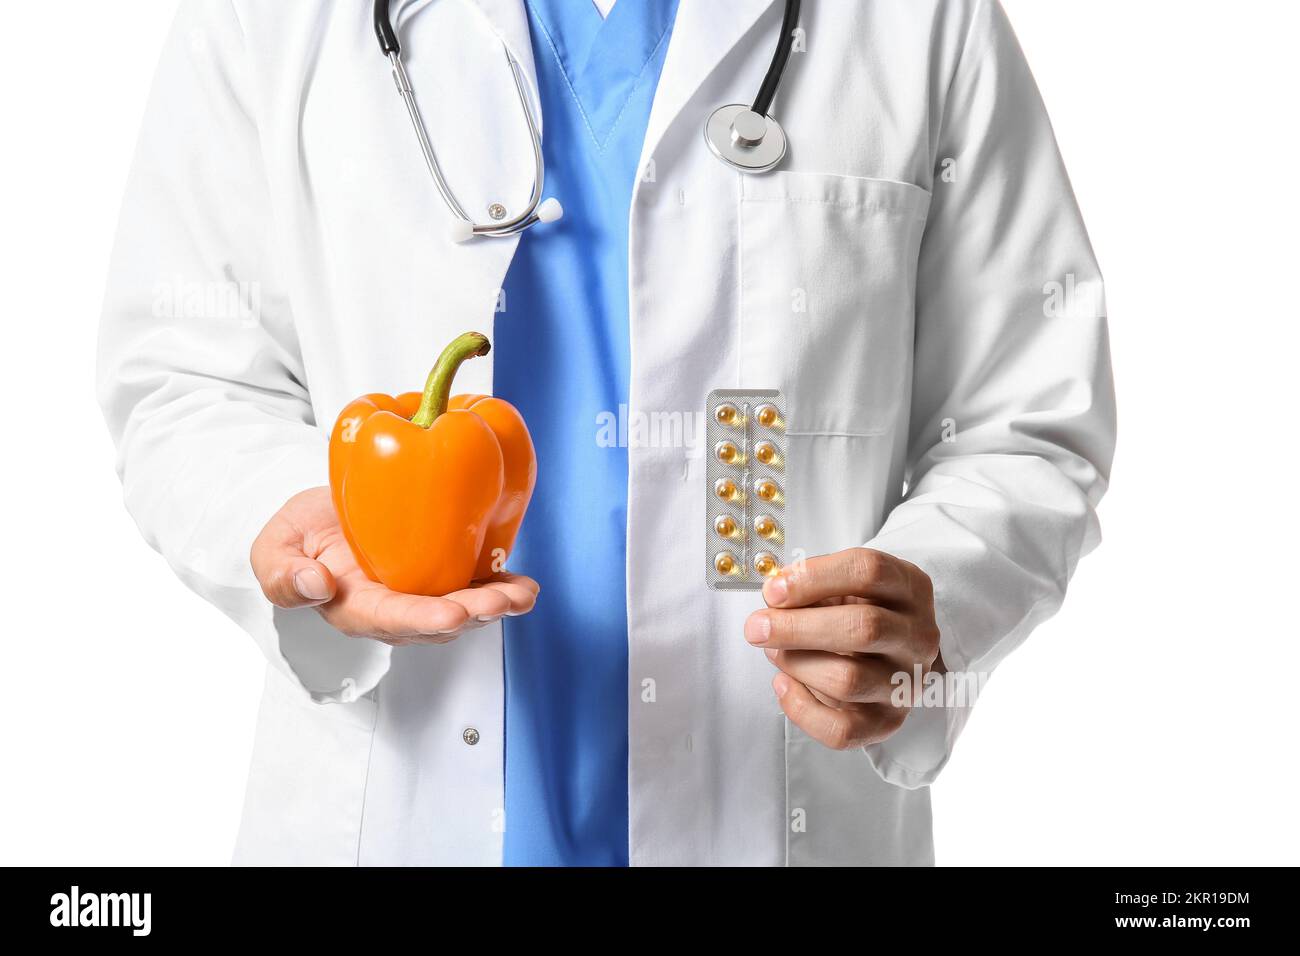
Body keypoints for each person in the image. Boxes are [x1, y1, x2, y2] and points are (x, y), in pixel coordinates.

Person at [98, 0, 1114, 866]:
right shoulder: (269, 20)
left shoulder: (919, 21)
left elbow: (1029, 414)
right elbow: (185, 373)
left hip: (779, 802)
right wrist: (294, 523)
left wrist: (925, 599)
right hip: (395, 801)